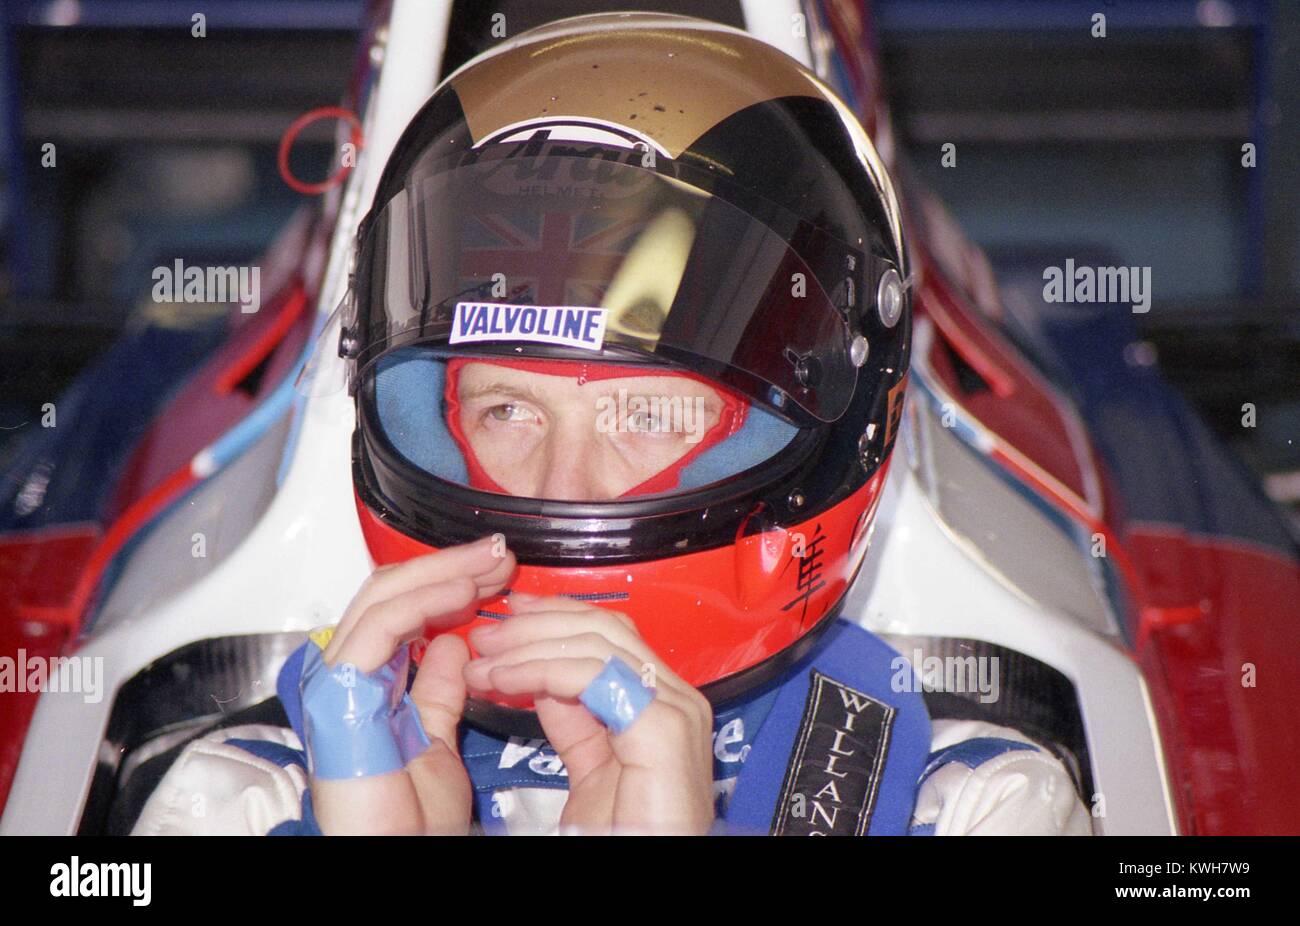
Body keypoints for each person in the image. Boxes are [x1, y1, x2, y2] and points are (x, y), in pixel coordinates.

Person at [132, 12, 1090, 837]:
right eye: (505, 408)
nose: (562, 487)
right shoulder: (240, 799)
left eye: (649, 410)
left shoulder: (976, 805)